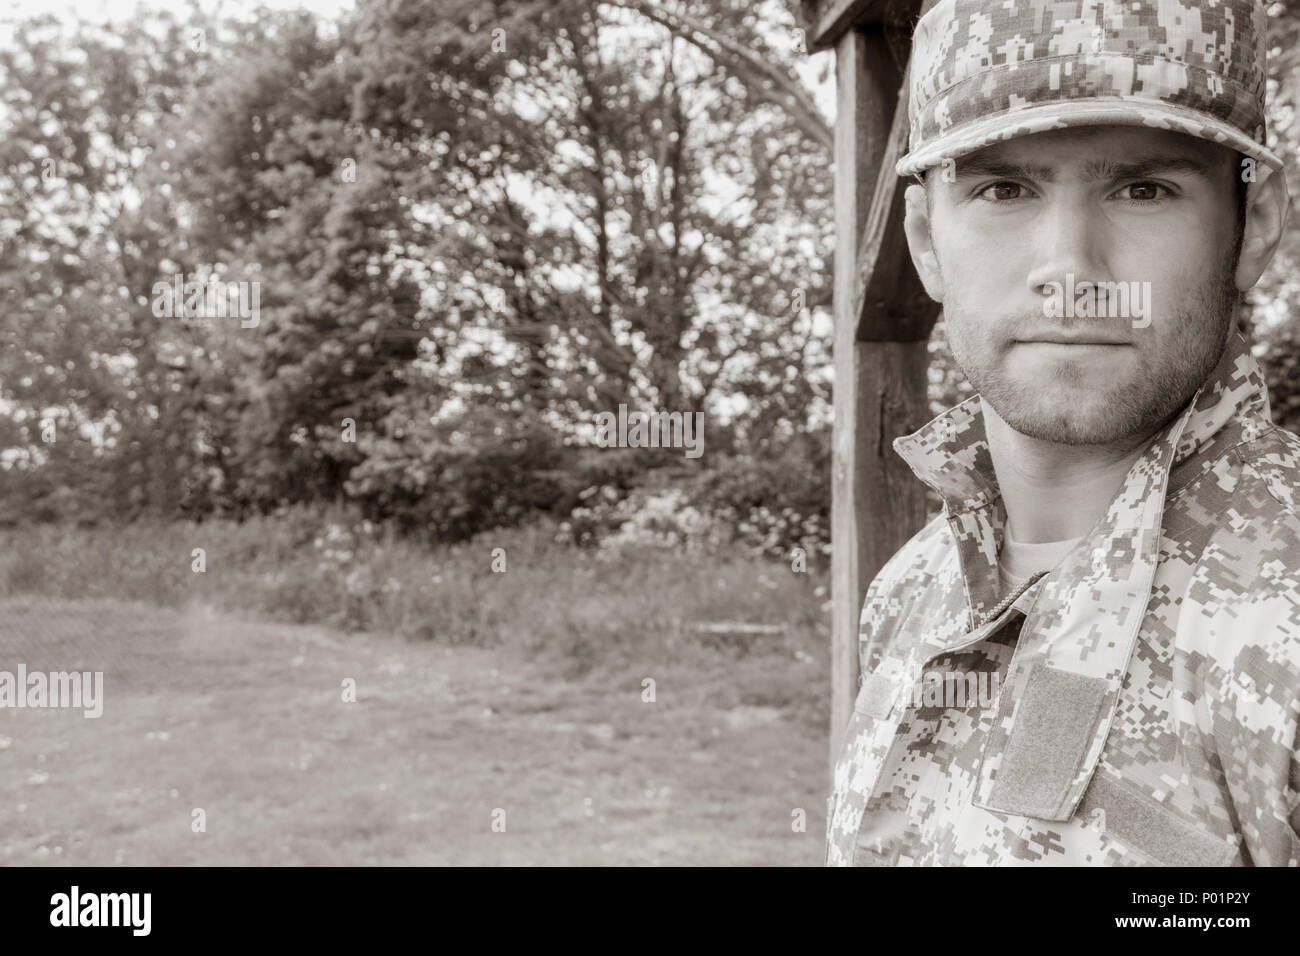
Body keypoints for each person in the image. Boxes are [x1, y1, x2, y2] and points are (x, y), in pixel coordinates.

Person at [826, 0, 1299, 865]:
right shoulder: (912, 592)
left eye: (1145, 189)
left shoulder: (1279, 621)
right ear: (926, 239)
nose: (1071, 271)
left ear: (1253, 224)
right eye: (1004, 189)